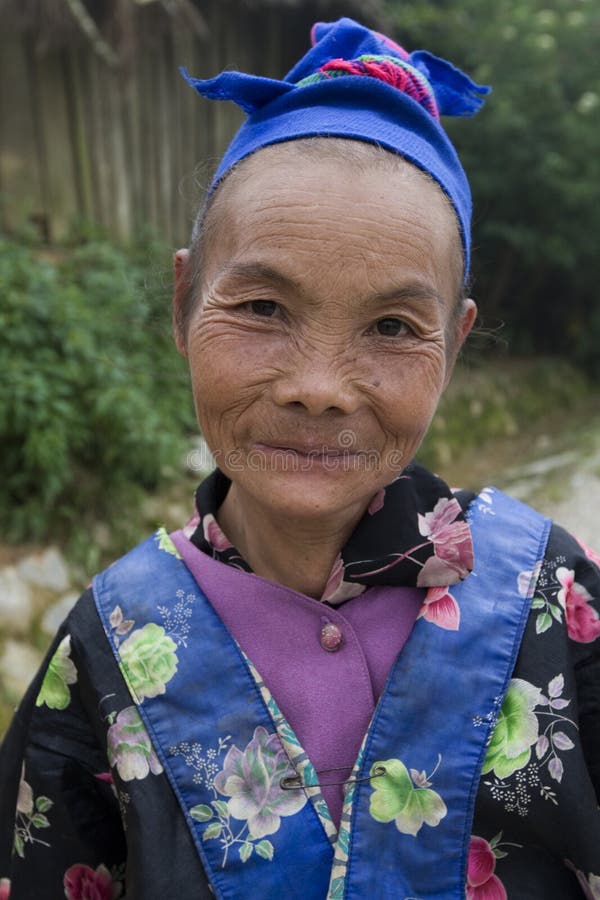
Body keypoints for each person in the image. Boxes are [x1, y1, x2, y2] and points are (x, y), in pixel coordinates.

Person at [1, 17, 599, 900]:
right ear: (183, 301)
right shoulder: (109, 647)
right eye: (262, 309)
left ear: (455, 345)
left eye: (393, 327)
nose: (318, 386)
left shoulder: (550, 598)